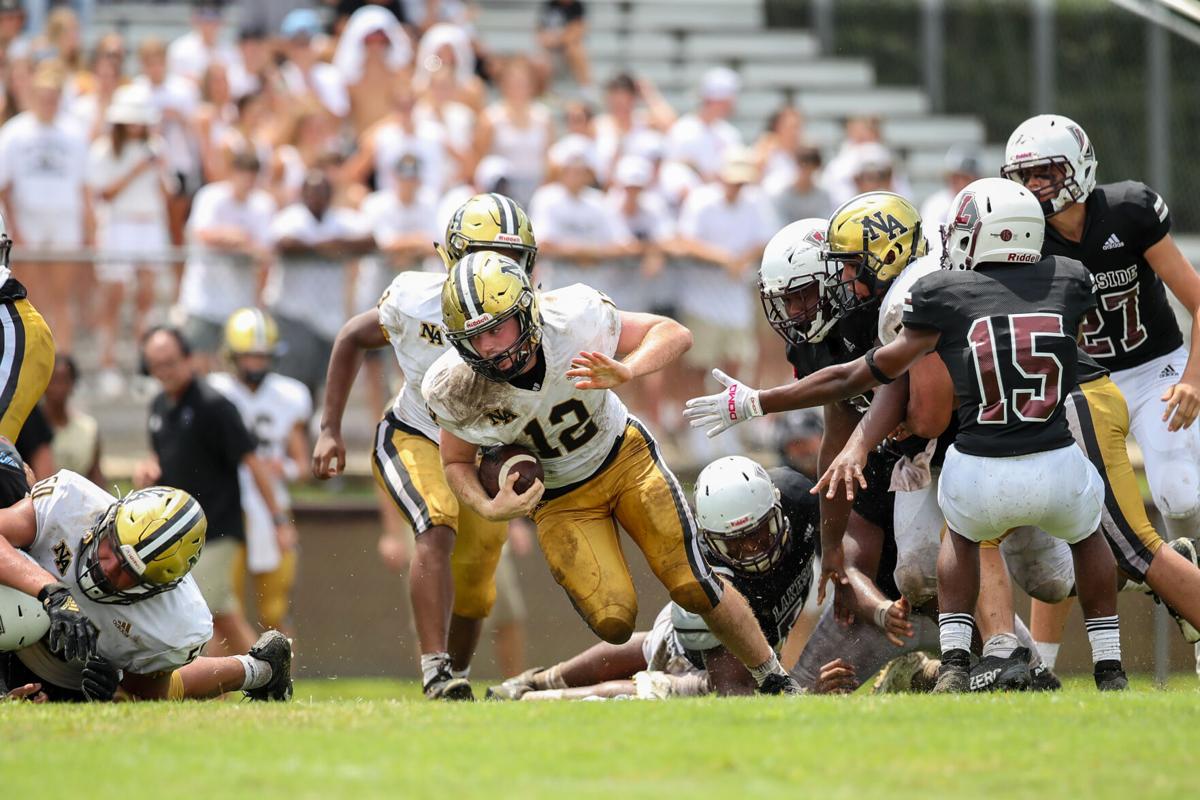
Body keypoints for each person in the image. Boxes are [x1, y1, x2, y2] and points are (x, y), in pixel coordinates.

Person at [685, 178, 1128, 692]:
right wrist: (832, 547)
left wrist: (780, 409)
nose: (796, 313)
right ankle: (1001, 662)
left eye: (807, 294)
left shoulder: (906, 298)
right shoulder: (830, 336)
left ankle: (1129, 574)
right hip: (925, 456)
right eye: (788, 300)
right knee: (918, 574)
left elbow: (920, 406)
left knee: (1050, 577)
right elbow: (840, 421)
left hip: (985, 436)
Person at [423, 251, 804, 695]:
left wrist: (629, 368)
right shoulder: (453, 384)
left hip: (624, 458)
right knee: (614, 619)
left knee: (692, 581)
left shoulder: (574, 317)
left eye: (496, 328)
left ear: (527, 308)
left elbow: (673, 333)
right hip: (561, 498)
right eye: (475, 337)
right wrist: (488, 505)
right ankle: (568, 681)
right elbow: (454, 460)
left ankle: (774, 677)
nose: (487, 346)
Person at [312, 195, 537, 700]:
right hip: (416, 433)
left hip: (481, 451)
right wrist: (329, 427)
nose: (497, 272)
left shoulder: (536, 316)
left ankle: (449, 679)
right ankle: (435, 671)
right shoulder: (415, 301)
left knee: (478, 588)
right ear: (452, 258)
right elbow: (351, 336)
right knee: (436, 523)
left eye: (510, 260)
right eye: (482, 256)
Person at [489, 456, 856, 700]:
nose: (754, 549)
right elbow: (737, 693)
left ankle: (537, 681)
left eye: (760, 532)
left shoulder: (798, 497)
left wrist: (839, 567)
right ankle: (541, 695)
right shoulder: (707, 574)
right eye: (737, 542)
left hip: (748, 633)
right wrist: (803, 692)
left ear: (776, 506)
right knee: (664, 684)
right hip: (700, 657)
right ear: (711, 539)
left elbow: (843, 540)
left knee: (650, 645)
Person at [0, 451, 293, 702]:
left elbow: (147, 692)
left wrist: (115, 689)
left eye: (129, 572)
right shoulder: (72, 504)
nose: (109, 568)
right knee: (7, 471)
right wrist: (50, 590)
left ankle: (259, 670)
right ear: (108, 520)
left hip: (78, 671)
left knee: (140, 690)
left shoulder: (175, 621)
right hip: (26, 619)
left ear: (157, 587)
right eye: (112, 548)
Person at [134, 326, 297, 659]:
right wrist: (148, 468)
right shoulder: (159, 406)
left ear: (189, 359)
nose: (164, 372)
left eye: (170, 363)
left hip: (217, 528)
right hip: (178, 533)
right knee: (223, 616)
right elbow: (161, 455)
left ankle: (196, 685)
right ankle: (268, 674)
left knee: (196, 612)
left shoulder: (214, 405)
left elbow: (254, 463)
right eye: (156, 365)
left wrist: (279, 520)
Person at [209, 309, 310, 635]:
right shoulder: (214, 392)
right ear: (231, 356)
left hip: (272, 508)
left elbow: (302, 465)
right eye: (249, 356)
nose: (256, 364)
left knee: (275, 611)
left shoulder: (288, 394)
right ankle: (224, 685)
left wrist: (288, 469)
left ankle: (284, 684)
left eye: (262, 356)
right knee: (224, 608)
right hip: (228, 508)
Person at [88, 83, 174, 397]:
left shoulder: (158, 147)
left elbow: (168, 194)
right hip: (119, 227)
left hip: (150, 226)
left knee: (146, 298)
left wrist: (160, 169)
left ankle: (144, 367)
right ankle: (107, 364)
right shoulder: (104, 149)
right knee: (114, 296)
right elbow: (105, 193)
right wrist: (139, 168)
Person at [0, 61, 92, 353]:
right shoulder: (15, 132)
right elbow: (4, 186)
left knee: (61, 297)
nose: (48, 103)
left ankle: (61, 356)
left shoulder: (75, 132)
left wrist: (91, 230)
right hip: (28, 224)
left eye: (53, 97)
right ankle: (31, 356)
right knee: (31, 296)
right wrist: (16, 230)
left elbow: (85, 186)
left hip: (65, 223)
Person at [267, 170, 374, 399]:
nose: (317, 197)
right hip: (293, 314)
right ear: (303, 194)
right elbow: (283, 243)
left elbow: (370, 240)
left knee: (321, 383)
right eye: (313, 192)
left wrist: (334, 243)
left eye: (322, 192)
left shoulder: (339, 219)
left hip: (328, 317)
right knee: (293, 382)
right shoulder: (292, 217)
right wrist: (324, 249)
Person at [178, 150, 276, 367]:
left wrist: (235, 240)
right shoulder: (210, 196)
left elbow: (265, 251)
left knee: (232, 366)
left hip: (240, 302)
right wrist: (241, 240)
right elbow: (203, 234)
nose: (247, 181)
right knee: (197, 362)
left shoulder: (263, 204)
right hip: (203, 300)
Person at [665, 67, 743, 183]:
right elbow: (673, 170)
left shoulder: (730, 133)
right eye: (727, 101)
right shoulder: (683, 130)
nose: (731, 106)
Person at [40, 354, 102, 486]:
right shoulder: (30, 428)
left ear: (73, 384)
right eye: (53, 380)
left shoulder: (88, 428)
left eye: (64, 380)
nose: (58, 388)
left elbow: (96, 475)